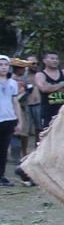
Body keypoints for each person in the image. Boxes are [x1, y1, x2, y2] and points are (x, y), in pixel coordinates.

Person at [34, 51, 64, 129]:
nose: (55, 61)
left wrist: (51, 87)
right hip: (48, 112)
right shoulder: (40, 75)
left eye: (57, 59)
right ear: (44, 61)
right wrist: (62, 84)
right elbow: (44, 88)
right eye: (52, 58)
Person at [0, 56, 24, 187]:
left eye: (5, 65)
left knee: (4, 150)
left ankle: (1, 175)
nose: (3, 67)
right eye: (0, 65)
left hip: (9, 119)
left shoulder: (12, 83)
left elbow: (15, 103)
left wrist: (19, 120)